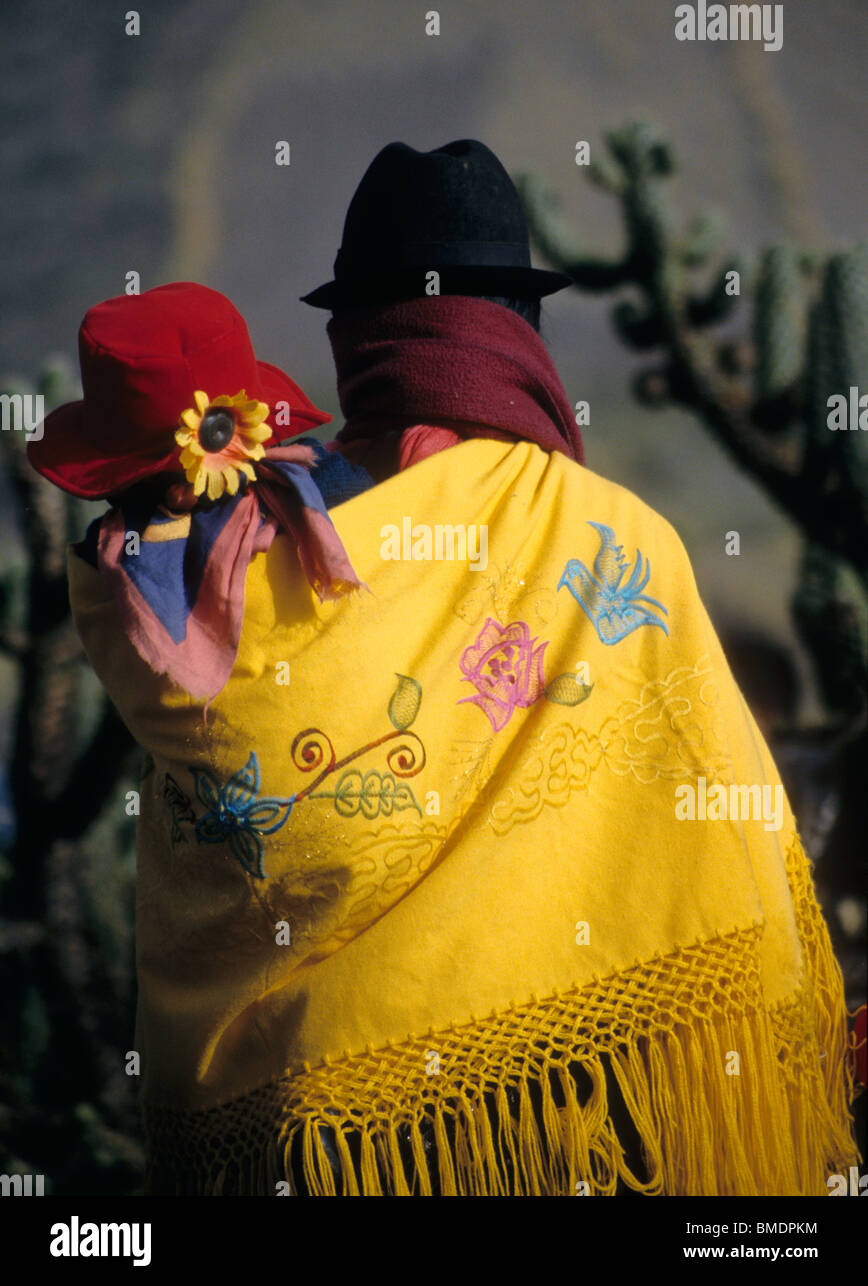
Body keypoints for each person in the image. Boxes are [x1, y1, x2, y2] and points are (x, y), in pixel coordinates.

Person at [30, 140, 859, 1196]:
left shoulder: (241, 566)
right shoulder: (620, 538)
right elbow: (717, 841)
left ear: (355, 336)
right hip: (613, 1111)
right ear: (520, 327)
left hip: (335, 1134)